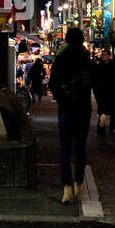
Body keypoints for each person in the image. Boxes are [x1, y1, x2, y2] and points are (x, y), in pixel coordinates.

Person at [49, 27, 93, 203]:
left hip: (66, 108)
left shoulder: (60, 56)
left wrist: (62, 98)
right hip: (83, 107)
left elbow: (53, 83)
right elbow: (91, 81)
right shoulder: (85, 56)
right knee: (80, 147)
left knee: (65, 149)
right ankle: (78, 182)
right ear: (82, 38)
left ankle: (66, 189)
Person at [91, 50, 115, 139]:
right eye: (102, 55)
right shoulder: (99, 66)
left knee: (112, 110)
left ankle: (113, 127)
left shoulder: (114, 65)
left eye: (104, 55)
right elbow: (95, 78)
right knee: (102, 110)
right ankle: (101, 127)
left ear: (109, 56)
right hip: (101, 92)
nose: (103, 56)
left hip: (111, 91)